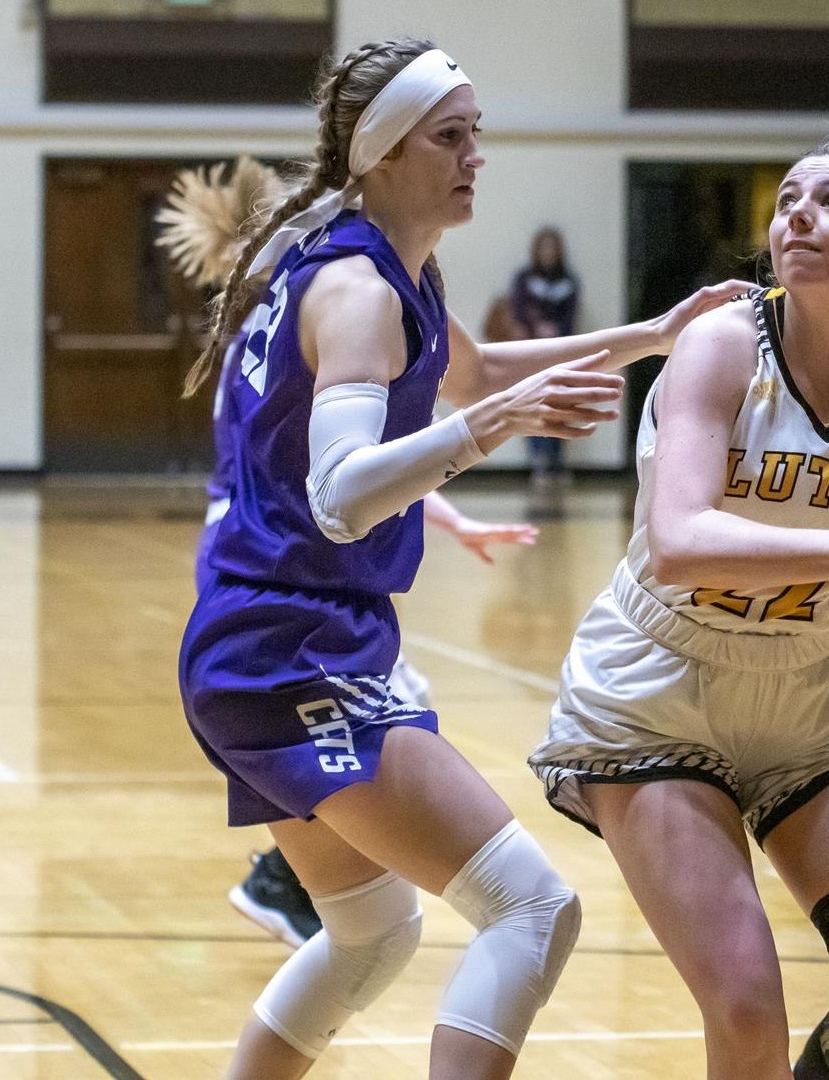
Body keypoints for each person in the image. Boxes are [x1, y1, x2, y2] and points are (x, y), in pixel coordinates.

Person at [176, 37, 752, 1079]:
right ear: (385, 150)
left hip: (270, 644)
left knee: (373, 934)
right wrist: (495, 425)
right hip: (293, 651)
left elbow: (476, 367)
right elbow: (343, 497)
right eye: (450, 135)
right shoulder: (358, 293)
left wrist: (653, 335)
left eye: (475, 132)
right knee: (532, 908)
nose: (475, 154)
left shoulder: (402, 271)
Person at [530, 129, 829, 1080]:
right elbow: (678, 543)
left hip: (815, 696)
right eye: (788, 200)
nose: (797, 216)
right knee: (746, 1011)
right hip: (660, 688)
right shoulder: (721, 344)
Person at [156, 159, 541, 950]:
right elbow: (332, 474)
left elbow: (341, 463)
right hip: (278, 571)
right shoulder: (319, 313)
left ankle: (316, 878)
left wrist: (446, 516)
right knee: (370, 725)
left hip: (254, 557)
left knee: (362, 720)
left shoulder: (274, 329)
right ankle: (288, 875)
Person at [511, 227, 582, 486]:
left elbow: (571, 315)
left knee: (560, 407)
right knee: (532, 405)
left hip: (559, 353)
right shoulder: (524, 279)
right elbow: (518, 311)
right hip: (531, 354)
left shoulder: (569, 281)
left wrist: (556, 330)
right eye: (544, 247)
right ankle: (538, 462)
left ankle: (556, 464)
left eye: (553, 247)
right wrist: (536, 327)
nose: (548, 253)